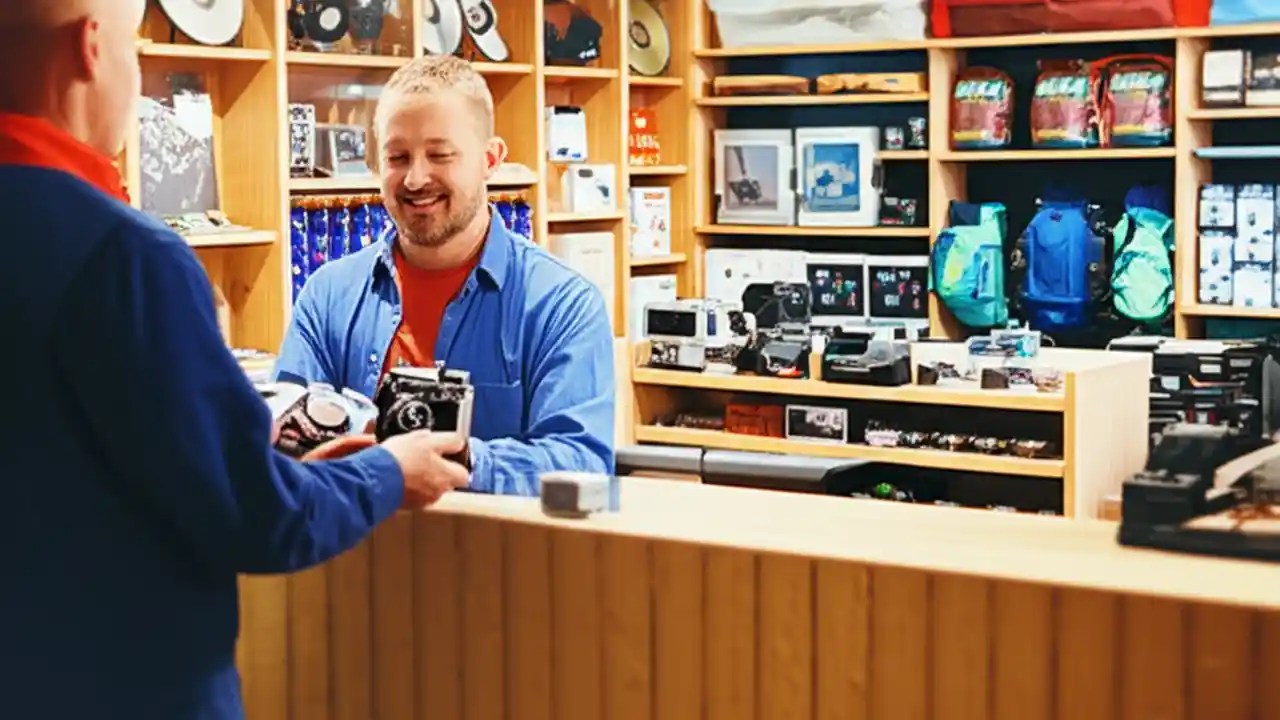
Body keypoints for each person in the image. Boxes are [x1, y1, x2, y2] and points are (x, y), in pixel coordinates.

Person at [0, 1, 470, 718]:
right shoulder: (124, 258)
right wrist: (386, 471)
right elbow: (257, 513)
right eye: (136, 49)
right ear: (93, 50)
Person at [275, 55, 616, 496]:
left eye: (440, 155)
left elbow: (582, 464)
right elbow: (281, 443)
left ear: (490, 159)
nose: (416, 178)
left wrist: (457, 460)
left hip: (499, 561)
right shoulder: (327, 295)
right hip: (353, 558)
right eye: (398, 157)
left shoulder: (562, 304)